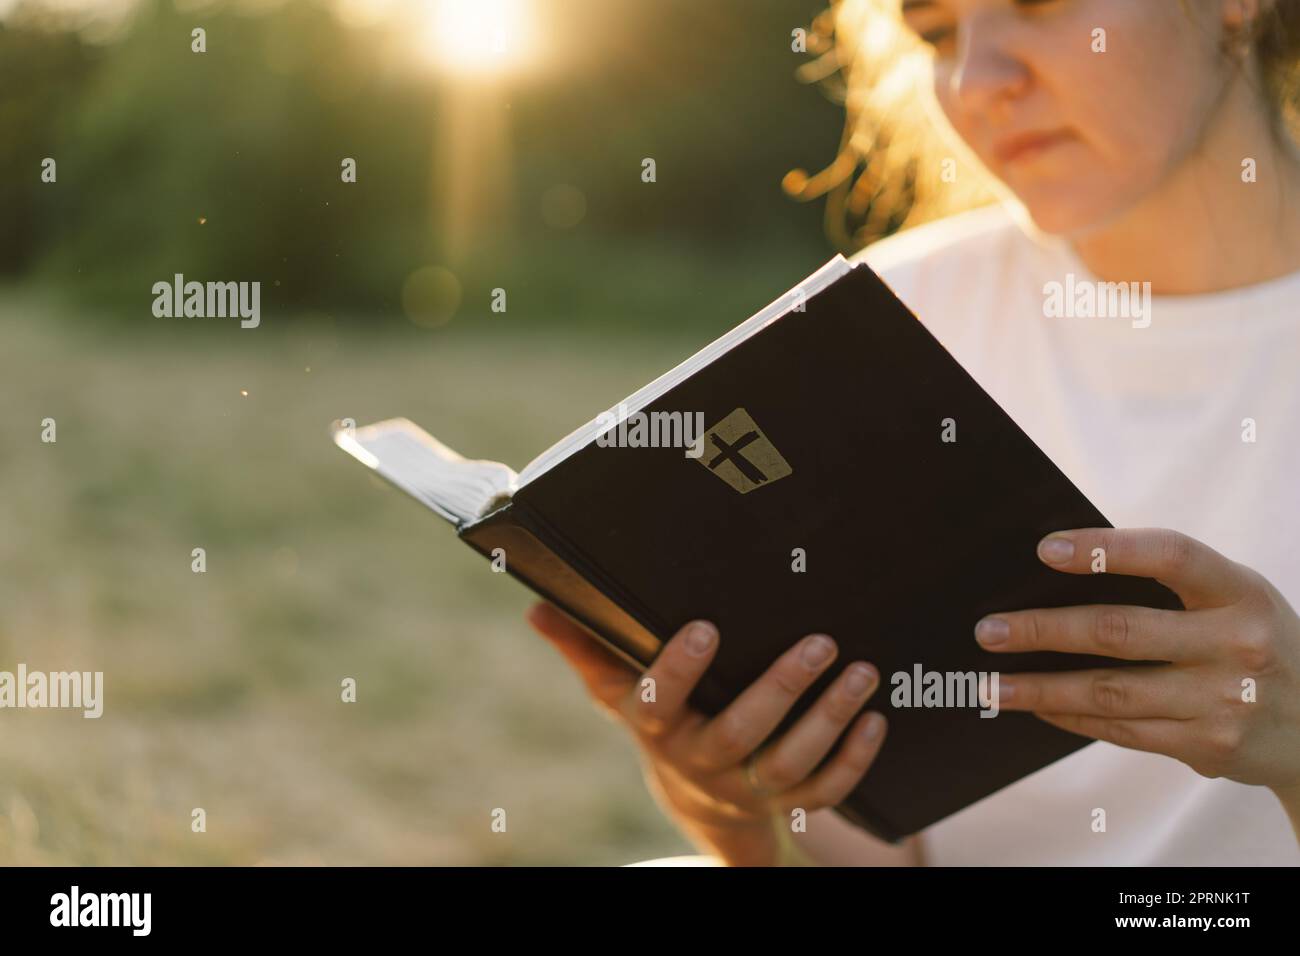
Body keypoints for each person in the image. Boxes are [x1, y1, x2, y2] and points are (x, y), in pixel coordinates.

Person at [526, 0, 1300, 866]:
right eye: (937, 35)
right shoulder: (890, 318)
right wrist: (736, 802)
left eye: (1037, 7)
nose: (975, 82)